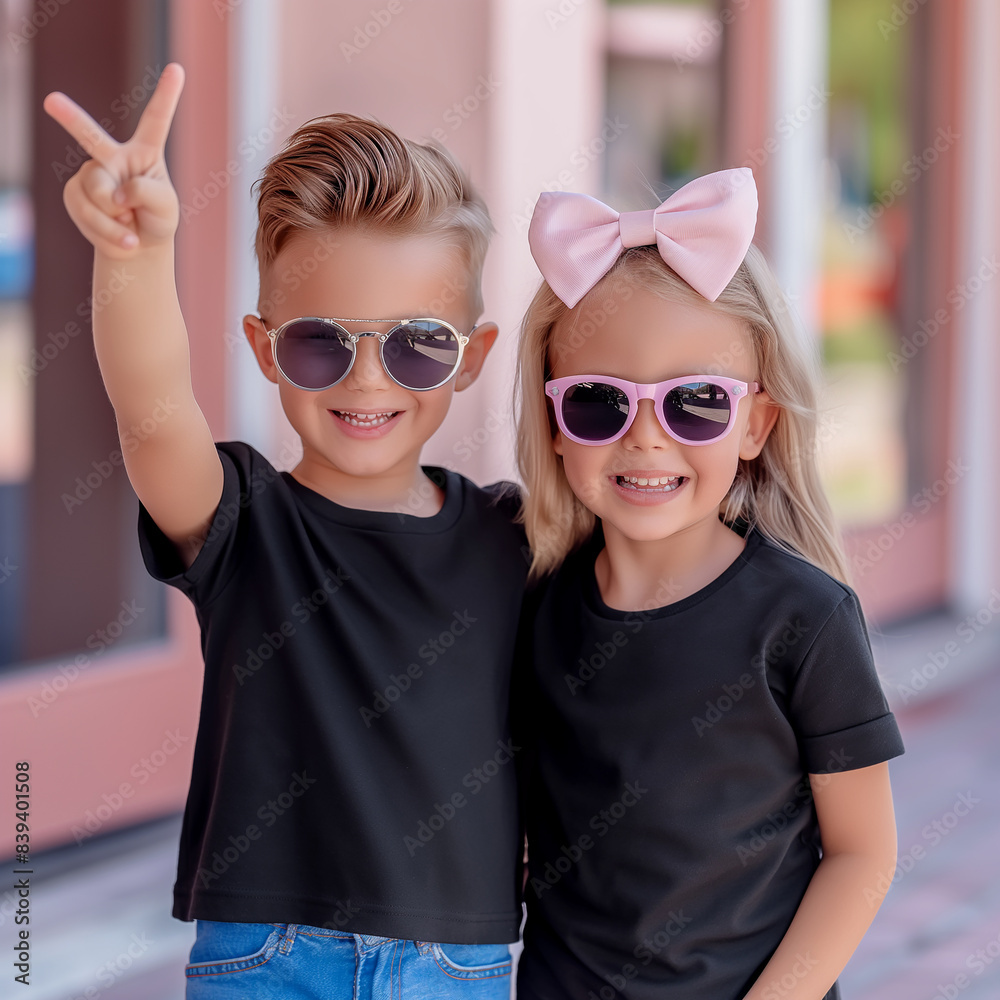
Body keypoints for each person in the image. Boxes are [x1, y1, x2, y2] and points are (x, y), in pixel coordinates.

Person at [45, 63, 526, 997]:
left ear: (472, 360)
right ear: (265, 347)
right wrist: (137, 257)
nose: (368, 381)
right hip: (264, 961)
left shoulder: (515, 536)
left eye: (417, 343)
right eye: (321, 342)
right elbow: (151, 405)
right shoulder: (241, 523)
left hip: (458, 965)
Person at [512, 167, 905, 1000]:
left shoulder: (804, 618)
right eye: (597, 403)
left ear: (757, 424)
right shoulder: (534, 608)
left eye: (695, 403)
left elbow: (864, 854)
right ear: (553, 424)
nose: (646, 440)